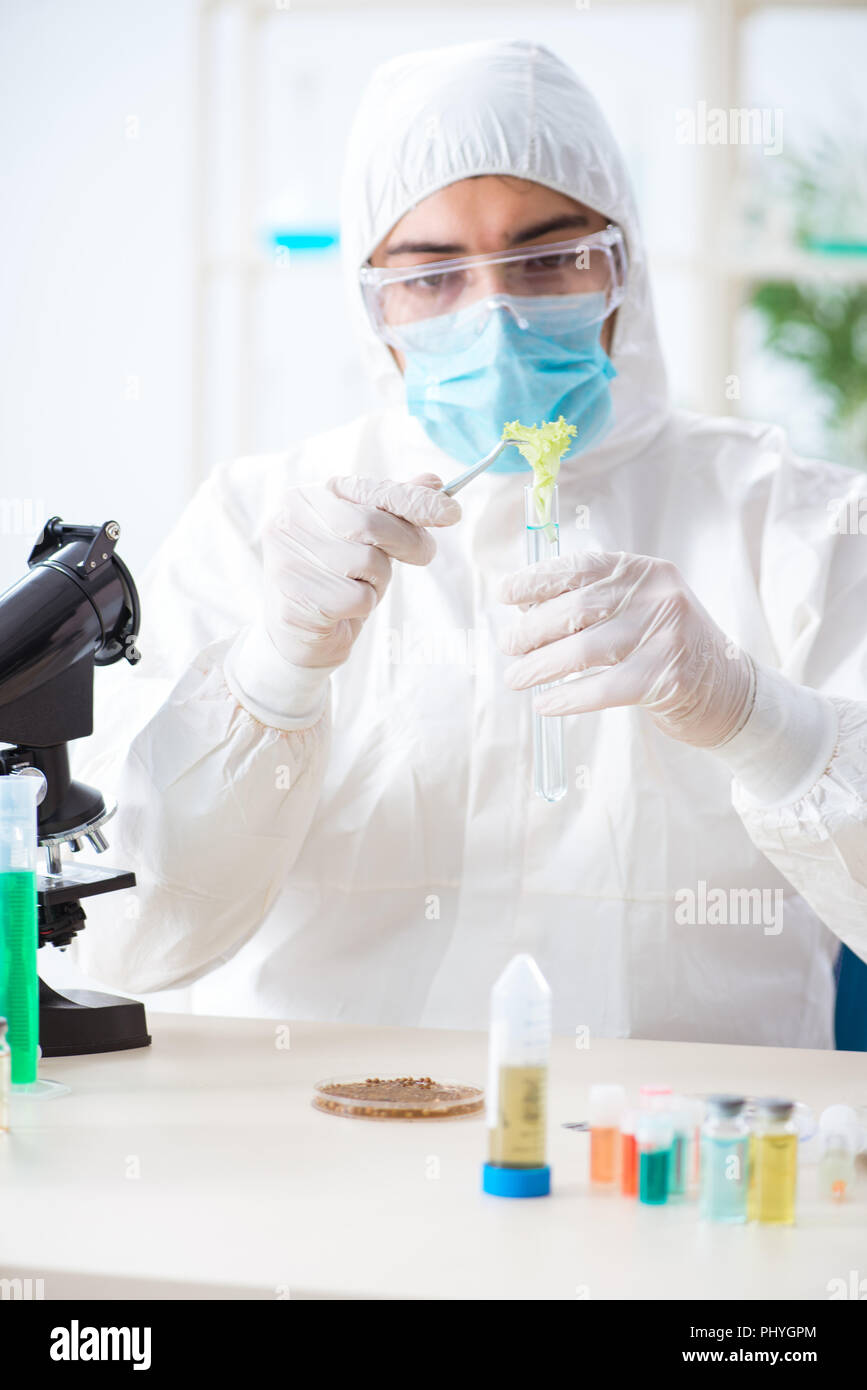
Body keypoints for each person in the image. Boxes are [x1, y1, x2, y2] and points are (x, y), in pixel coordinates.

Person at [68, 39, 867, 1045]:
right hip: (301, 1159)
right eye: (431, 273)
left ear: (623, 260)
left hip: (676, 1162)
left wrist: (761, 720)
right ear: (374, 308)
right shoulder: (257, 522)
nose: (496, 316)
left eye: (548, 256)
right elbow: (122, 944)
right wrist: (271, 677)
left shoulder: (796, 522)